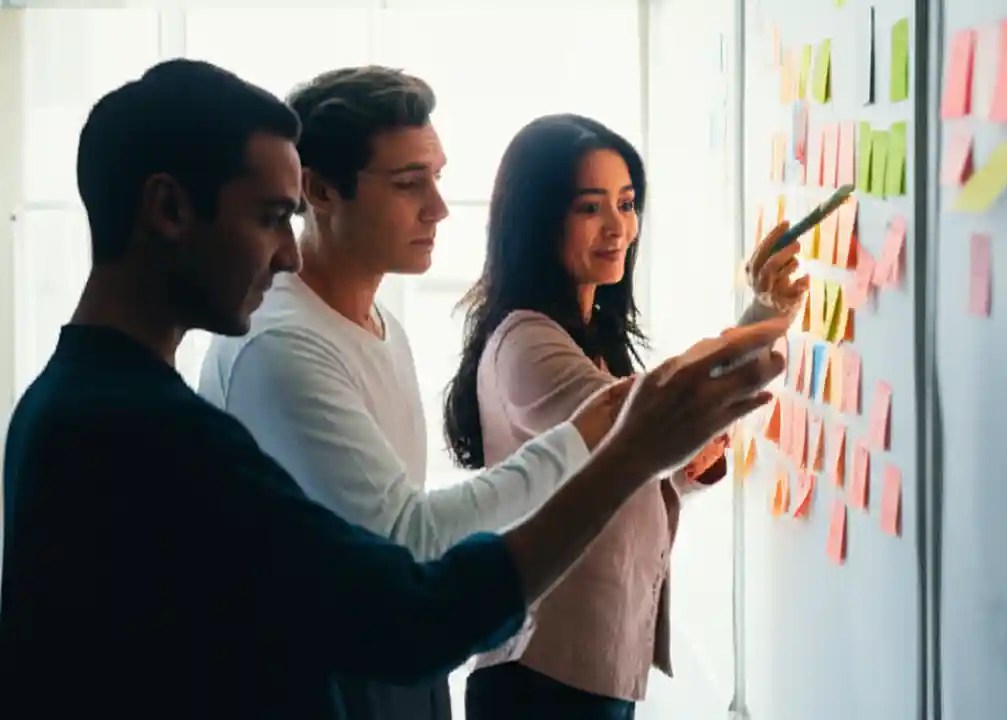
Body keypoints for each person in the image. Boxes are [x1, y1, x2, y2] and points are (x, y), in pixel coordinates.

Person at [0, 59, 789, 719]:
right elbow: (408, 599)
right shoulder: (137, 423)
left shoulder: (111, 403)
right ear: (169, 209)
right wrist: (621, 451)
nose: (284, 259)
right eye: (272, 217)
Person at [197, 65, 586, 719]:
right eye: (410, 184)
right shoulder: (281, 347)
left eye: (437, 177)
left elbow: (399, 518)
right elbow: (407, 537)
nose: (437, 207)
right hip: (310, 687)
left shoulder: (382, 326)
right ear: (318, 191)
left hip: (389, 662)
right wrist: (588, 441)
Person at [443, 114, 808, 719]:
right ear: (537, 221)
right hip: (544, 671)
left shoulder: (591, 336)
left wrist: (687, 468)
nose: (618, 227)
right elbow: (647, 423)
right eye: (590, 208)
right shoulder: (526, 343)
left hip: (597, 659)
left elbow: (639, 465)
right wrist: (763, 313)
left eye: (627, 202)